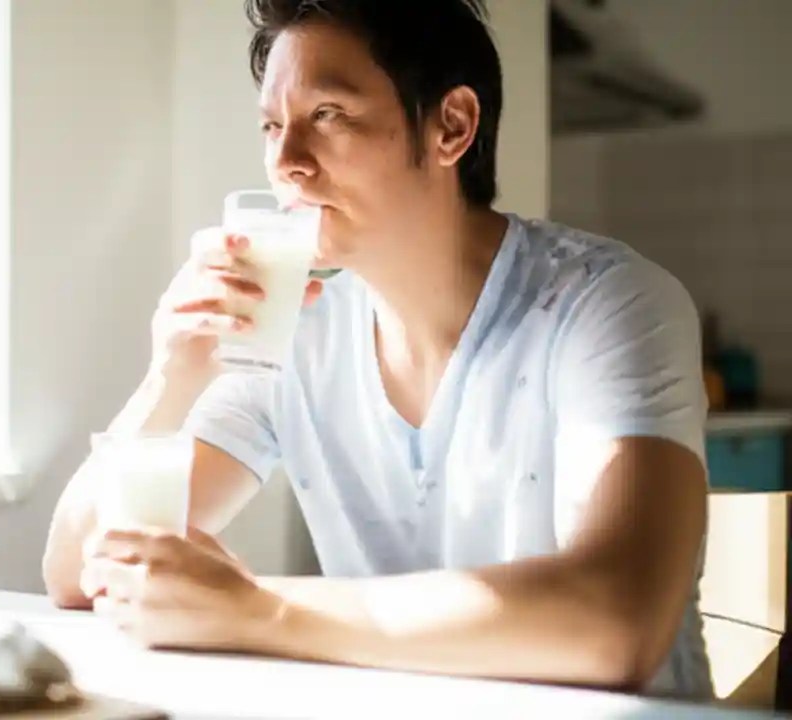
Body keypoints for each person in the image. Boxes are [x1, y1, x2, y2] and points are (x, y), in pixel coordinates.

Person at [42, 0, 711, 700]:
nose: (287, 162)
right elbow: (79, 569)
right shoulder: (295, 330)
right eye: (273, 126)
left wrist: (258, 608)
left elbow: (616, 623)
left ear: (452, 125)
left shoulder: (609, 303)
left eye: (328, 115)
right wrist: (172, 375)